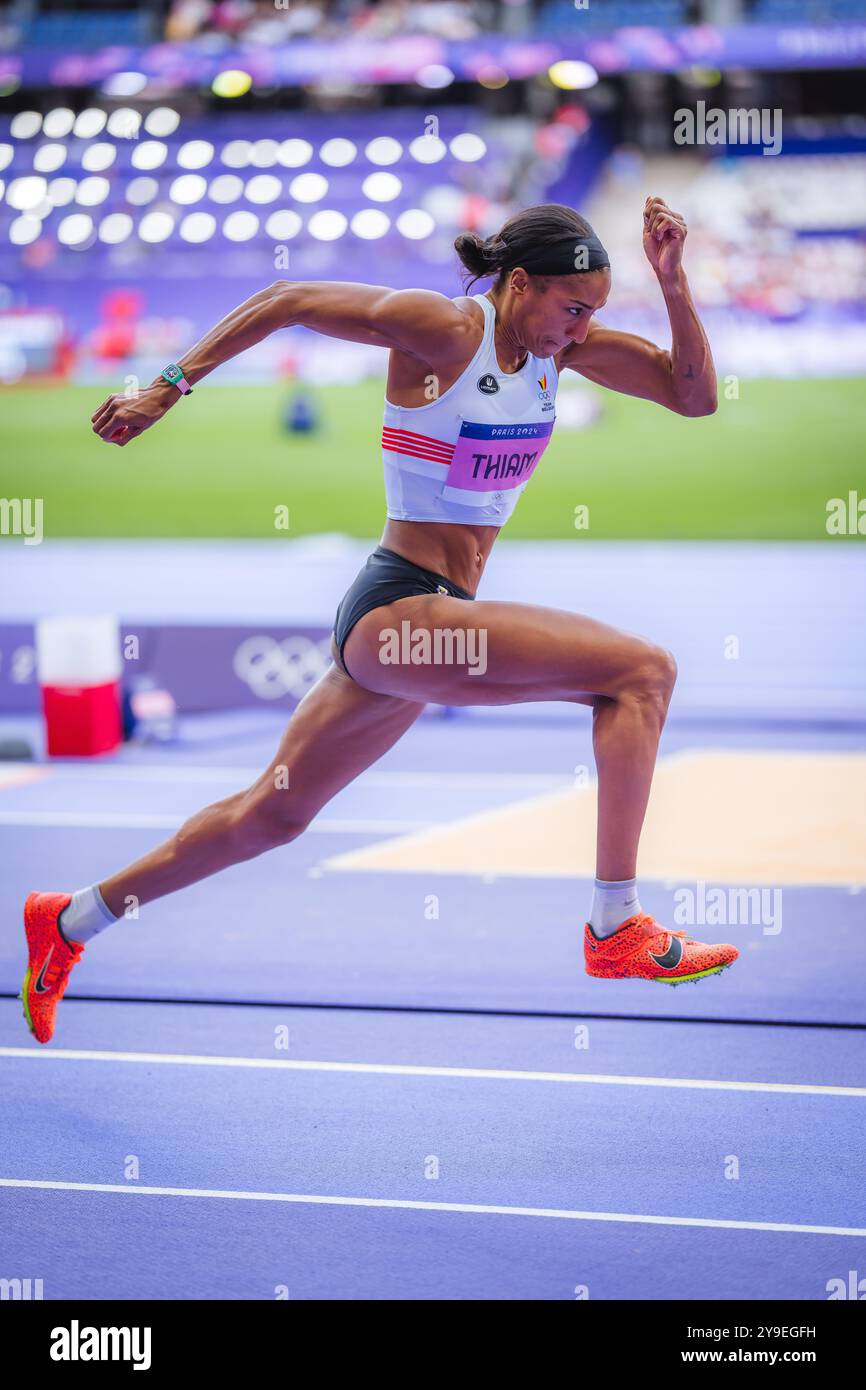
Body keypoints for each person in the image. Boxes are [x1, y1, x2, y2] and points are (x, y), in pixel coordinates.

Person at [22, 197, 738, 1045]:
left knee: (270, 817)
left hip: (425, 625)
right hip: (401, 610)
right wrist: (164, 389)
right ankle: (615, 925)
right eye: (573, 308)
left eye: (595, 312)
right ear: (517, 286)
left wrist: (674, 282)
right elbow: (285, 298)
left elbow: (694, 398)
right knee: (642, 673)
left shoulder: (563, 351)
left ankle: (67, 922)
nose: (582, 327)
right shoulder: (442, 330)